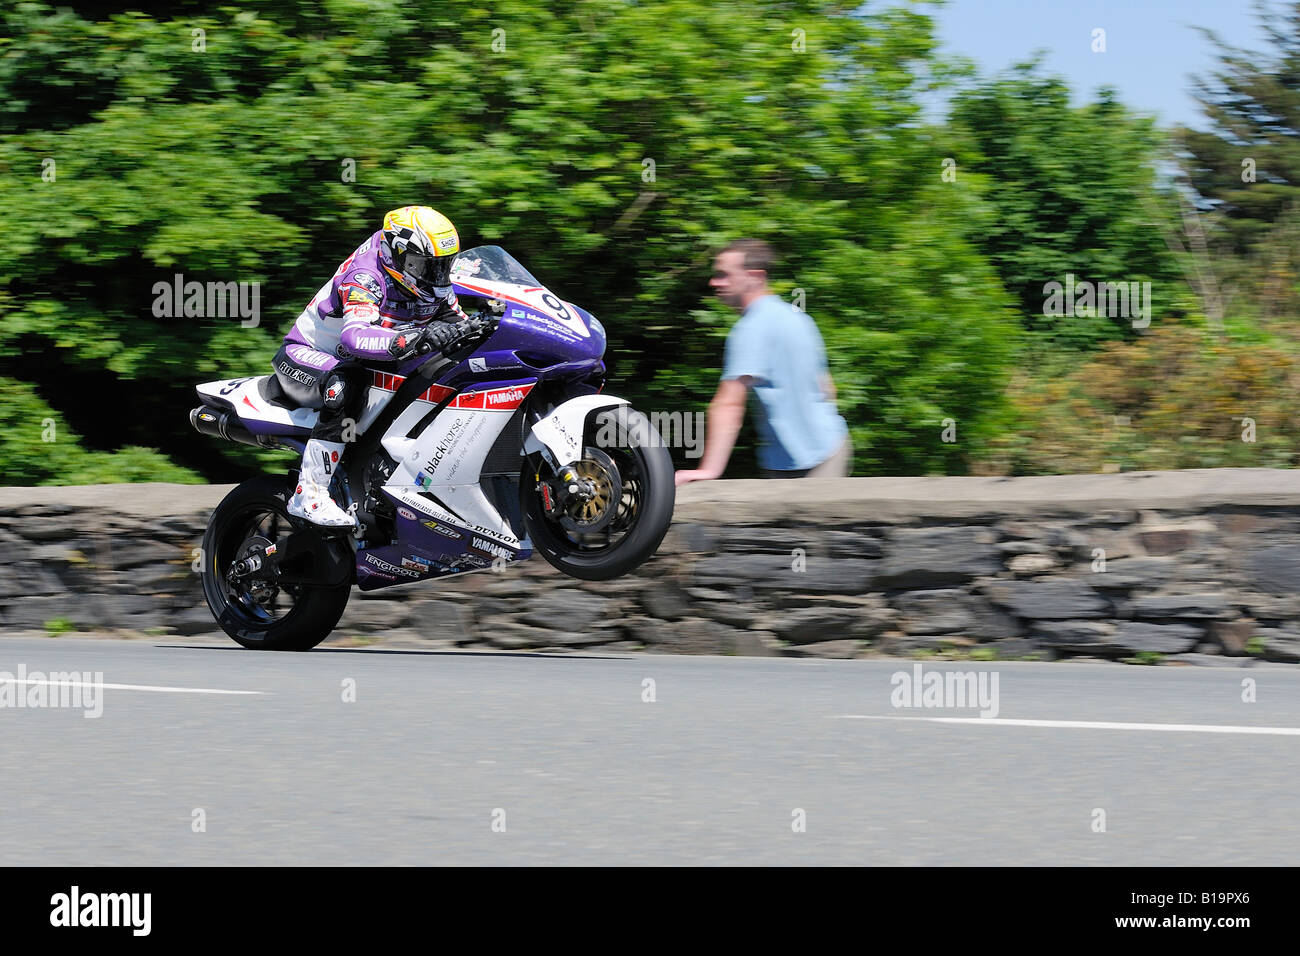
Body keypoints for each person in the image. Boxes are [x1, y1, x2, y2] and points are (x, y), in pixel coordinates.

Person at [273, 205, 476, 526]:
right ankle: (309, 494)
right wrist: (410, 340)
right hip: (306, 357)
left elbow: (456, 320)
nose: (434, 276)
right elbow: (355, 337)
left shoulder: (429, 277)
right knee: (344, 382)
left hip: (367, 360)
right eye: (424, 266)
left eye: (442, 266)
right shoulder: (366, 276)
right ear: (397, 253)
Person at [675, 239, 850, 485]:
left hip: (806, 464)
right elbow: (827, 387)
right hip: (831, 446)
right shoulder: (798, 315)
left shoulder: (751, 328)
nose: (714, 282)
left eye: (724, 275)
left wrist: (708, 471)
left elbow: (729, 405)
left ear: (754, 276)